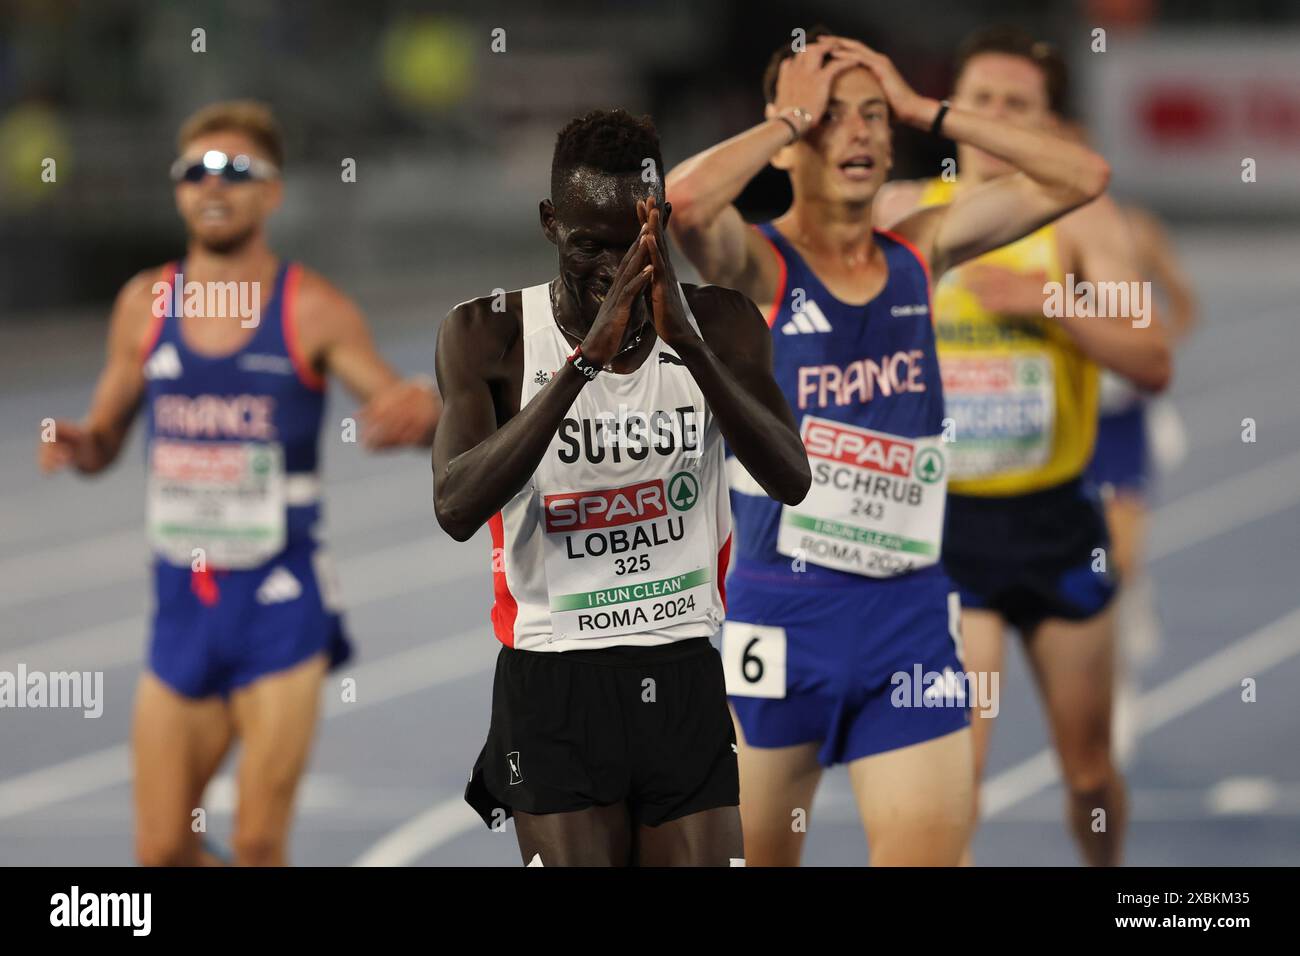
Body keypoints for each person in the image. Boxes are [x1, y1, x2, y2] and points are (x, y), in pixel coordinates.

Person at [665, 28, 1127, 865]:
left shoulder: (924, 246)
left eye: (876, 117)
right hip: (779, 623)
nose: (863, 133)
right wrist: (784, 119)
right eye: (834, 117)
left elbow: (1083, 176)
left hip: (906, 628)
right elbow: (686, 204)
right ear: (792, 135)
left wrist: (931, 109)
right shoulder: (760, 269)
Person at [37, 100, 441, 866]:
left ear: (273, 192)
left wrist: (424, 403)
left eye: (235, 170)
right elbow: (105, 441)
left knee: (258, 842)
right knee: (160, 851)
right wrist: (79, 443)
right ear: (178, 190)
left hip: (280, 611)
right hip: (182, 611)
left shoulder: (312, 309)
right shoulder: (142, 304)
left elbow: (406, 413)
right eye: (194, 171)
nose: (212, 185)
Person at [434, 109, 810, 866]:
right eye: (588, 246)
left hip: (683, 670)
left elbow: (790, 476)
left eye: (634, 241)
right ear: (549, 224)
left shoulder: (724, 324)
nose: (614, 268)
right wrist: (583, 364)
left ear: (661, 218)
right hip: (553, 684)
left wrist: (692, 351)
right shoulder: (491, 335)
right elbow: (455, 506)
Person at [875, 27, 1172, 865]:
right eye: (982, 100)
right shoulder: (902, 214)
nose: (995, 116)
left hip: (1054, 526)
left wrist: (1048, 302)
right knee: (951, 777)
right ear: (950, 109)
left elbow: (1151, 358)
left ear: (1046, 122)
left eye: (1018, 105)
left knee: (1086, 774)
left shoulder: (1081, 223)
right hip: (941, 534)